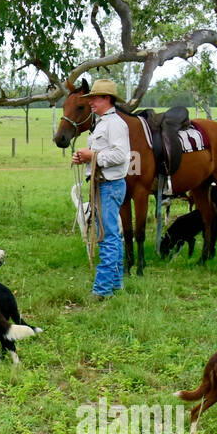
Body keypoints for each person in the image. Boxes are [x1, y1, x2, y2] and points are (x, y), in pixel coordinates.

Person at [71, 78, 131, 300]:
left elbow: (120, 155)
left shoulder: (115, 124)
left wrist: (92, 156)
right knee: (111, 235)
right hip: (103, 185)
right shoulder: (103, 122)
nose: (91, 103)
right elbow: (106, 152)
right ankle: (115, 285)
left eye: (94, 98)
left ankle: (102, 289)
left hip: (109, 185)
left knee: (108, 237)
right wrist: (85, 158)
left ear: (106, 99)